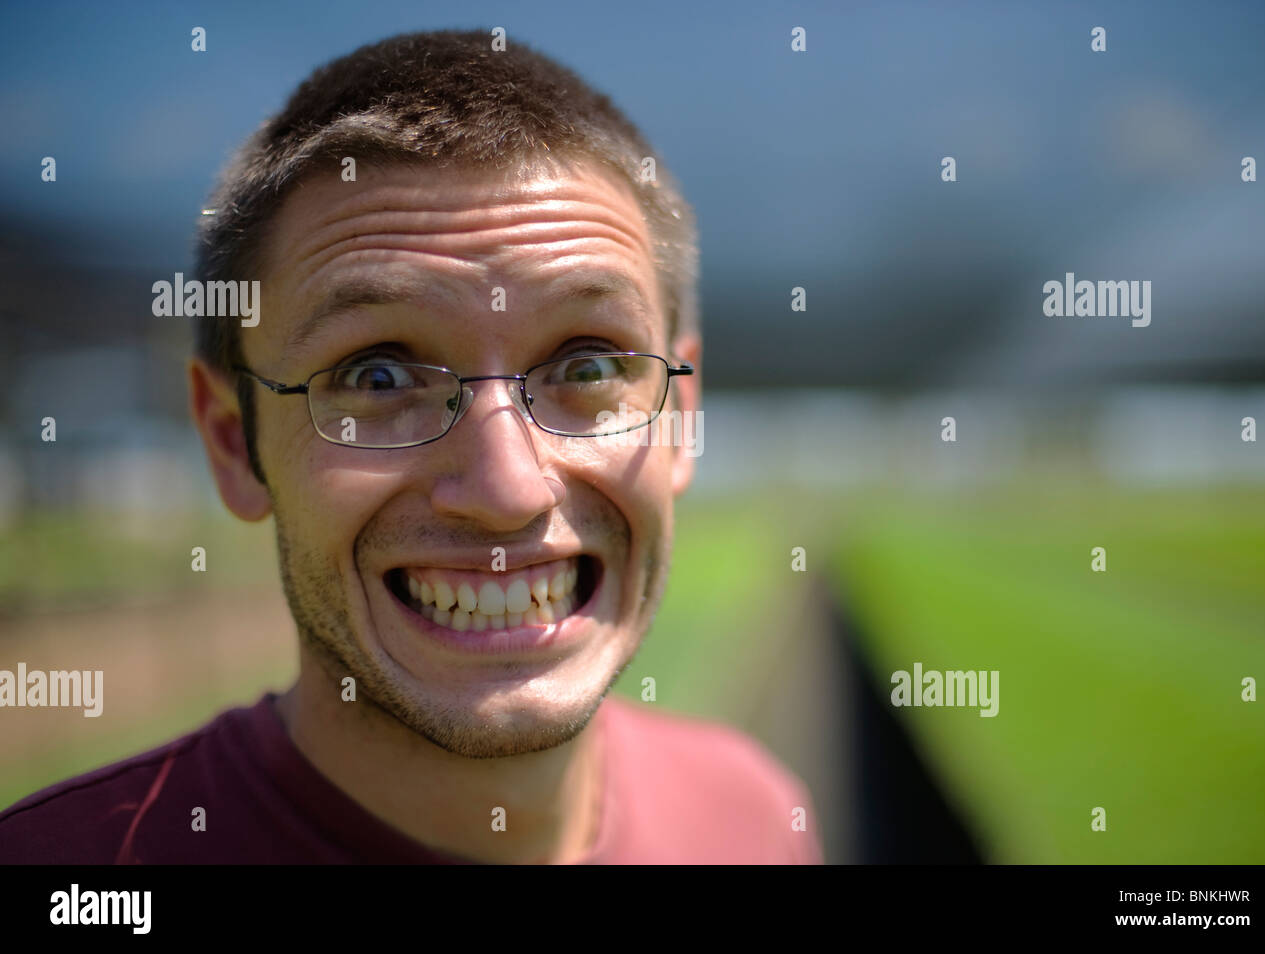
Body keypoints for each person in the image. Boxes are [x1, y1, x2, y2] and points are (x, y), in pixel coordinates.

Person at [0, 29, 822, 864]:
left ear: (679, 417)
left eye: (589, 363)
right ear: (233, 442)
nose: (508, 489)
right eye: (380, 377)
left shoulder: (752, 818)